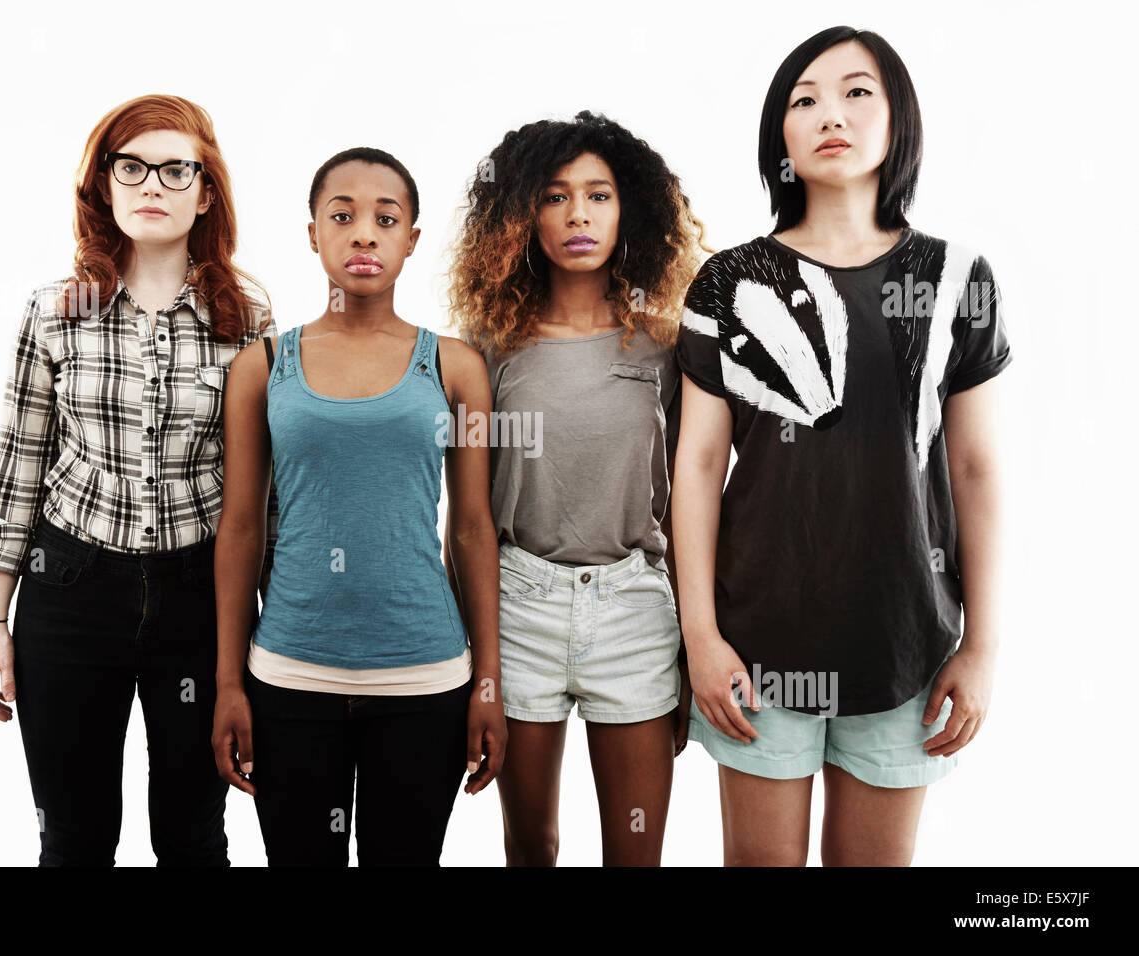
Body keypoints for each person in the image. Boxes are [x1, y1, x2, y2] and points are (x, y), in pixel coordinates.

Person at [673, 27, 1012, 866]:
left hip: (906, 645)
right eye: (805, 98)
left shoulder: (955, 278)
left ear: (898, 117)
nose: (832, 113)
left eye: (858, 92)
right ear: (778, 136)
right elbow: (697, 468)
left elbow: (975, 467)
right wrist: (703, 637)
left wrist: (982, 643)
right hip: (759, 644)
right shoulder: (727, 282)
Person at [0, 94, 275, 866]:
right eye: (130, 167)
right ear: (104, 185)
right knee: (73, 840)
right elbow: (18, 467)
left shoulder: (250, 318)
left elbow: (260, 490)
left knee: (192, 837)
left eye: (175, 169)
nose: (152, 185)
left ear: (206, 192)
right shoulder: (55, 312)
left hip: (200, 602)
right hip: (69, 596)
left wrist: (271, 628)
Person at [211, 147, 505, 866]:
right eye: (342, 216)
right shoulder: (263, 364)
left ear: (411, 238)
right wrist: (227, 682)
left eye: (385, 218)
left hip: (426, 679)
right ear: (313, 233)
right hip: (288, 677)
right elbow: (242, 526)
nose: (363, 234)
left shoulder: (458, 367)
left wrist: (488, 685)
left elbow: (470, 531)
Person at [445, 111, 708, 865]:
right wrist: (476, 659)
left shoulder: (666, 345)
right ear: (524, 216)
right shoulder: (485, 352)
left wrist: (696, 643)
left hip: (634, 609)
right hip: (519, 610)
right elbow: (463, 518)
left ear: (631, 212)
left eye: (598, 195)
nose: (578, 215)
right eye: (556, 197)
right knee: (532, 846)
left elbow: (693, 504)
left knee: (635, 852)